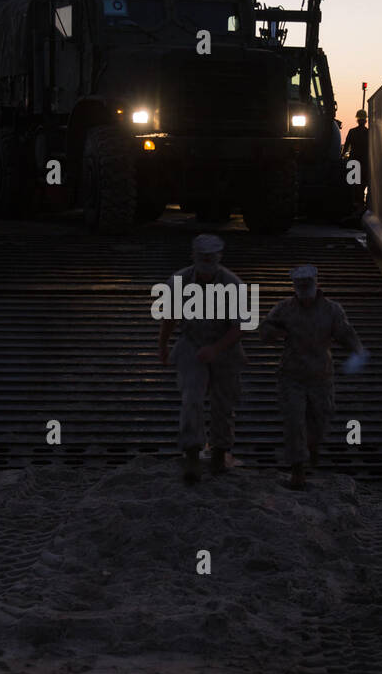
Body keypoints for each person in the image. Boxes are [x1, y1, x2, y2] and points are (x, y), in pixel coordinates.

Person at [260, 265, 368, 490]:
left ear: (316, 284)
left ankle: (313, 447)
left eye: (307, 285)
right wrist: (276, 332)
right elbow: (265, 330)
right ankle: (297, 470)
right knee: (294, 422)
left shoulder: (332, 310)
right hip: (292, 375)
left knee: (320, 420)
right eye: (299, 286)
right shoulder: (284, 309)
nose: (304, 290)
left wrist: (358, 349)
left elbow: (345, 333)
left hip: (321, 375)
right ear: (294, 288)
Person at [158, 233, 246, 482]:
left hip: (225, 346)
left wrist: (216, 349)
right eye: (202, 257)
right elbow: (171, 316)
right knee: (191, 400)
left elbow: (239, 327)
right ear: (194, 257)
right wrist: (163, 345)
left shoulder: (233, 284)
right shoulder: (178, 281)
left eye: (211, 257)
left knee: (223, 403)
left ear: (219, 258)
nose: (207, 261)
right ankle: (192, 454)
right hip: (192, 343)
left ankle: (219, 452)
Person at [341, 109, 370, 213]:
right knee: (357, 185)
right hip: (359, 162)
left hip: (357, 161)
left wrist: (342, 156)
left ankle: (356, 205)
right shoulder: (368, 133)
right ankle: (357, 205)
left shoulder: (358, 132)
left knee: (357, 185)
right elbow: (347, 145)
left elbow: (346, 146)